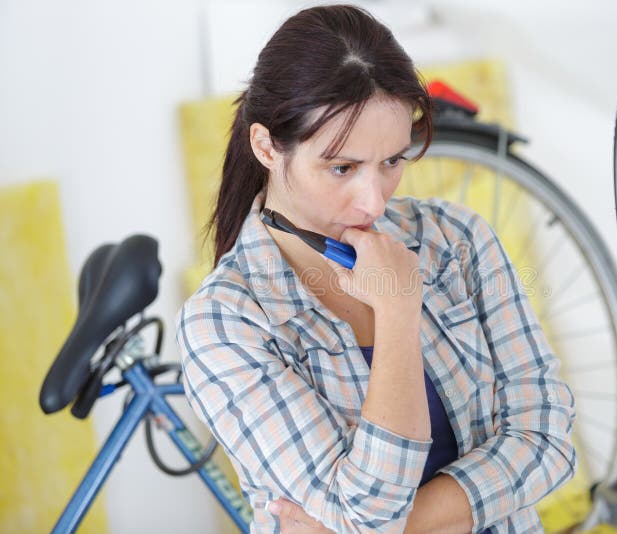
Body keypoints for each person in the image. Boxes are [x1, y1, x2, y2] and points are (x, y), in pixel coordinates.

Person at [176, 5, 576, 533]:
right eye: (342, 168)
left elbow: (546, 440)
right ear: (267, 146)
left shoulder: (457, 239)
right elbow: (365, 512)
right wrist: (396, 312)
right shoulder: (224, 323)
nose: (374, 201)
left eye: (392, 161)